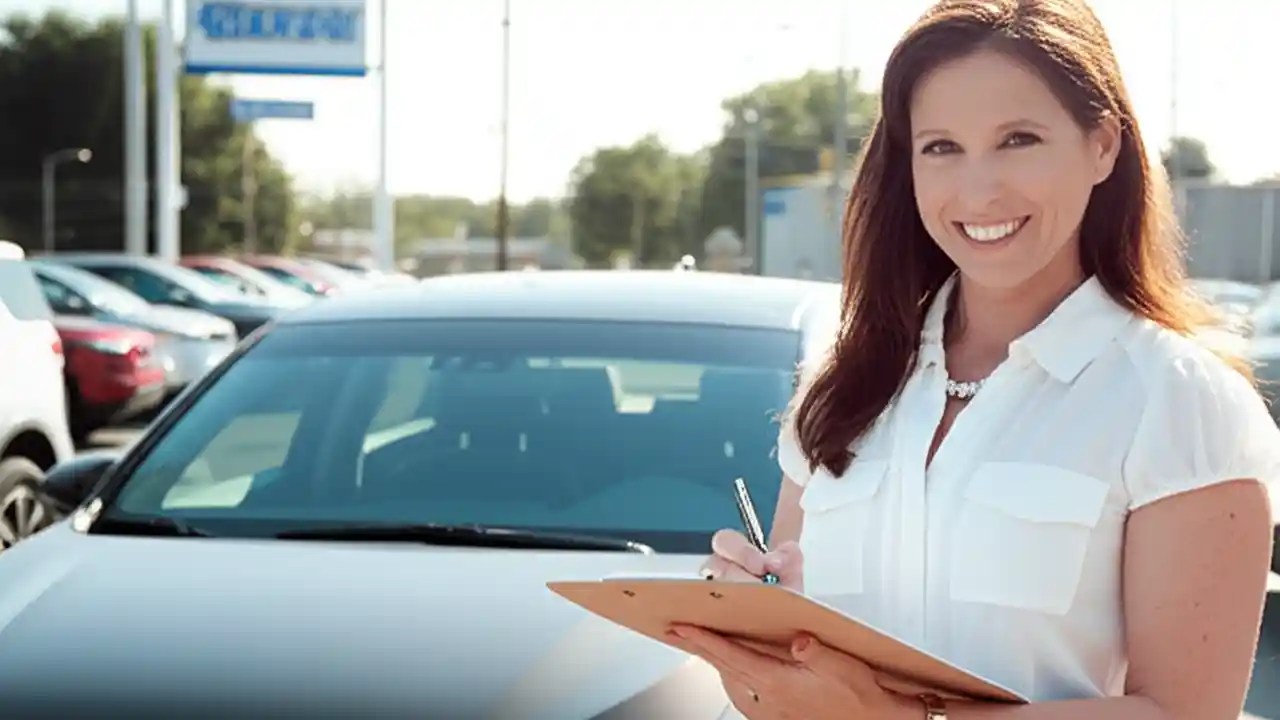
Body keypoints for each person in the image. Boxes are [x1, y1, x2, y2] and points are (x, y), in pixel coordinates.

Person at [665, 0, 1280, 718]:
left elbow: (1183, 713)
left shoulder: (1182, 401)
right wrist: (756, 636)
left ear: (1103, 146)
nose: (979, 189)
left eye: (1018, 139)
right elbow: (782, 698)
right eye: (941, 148)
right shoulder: (844, 387)